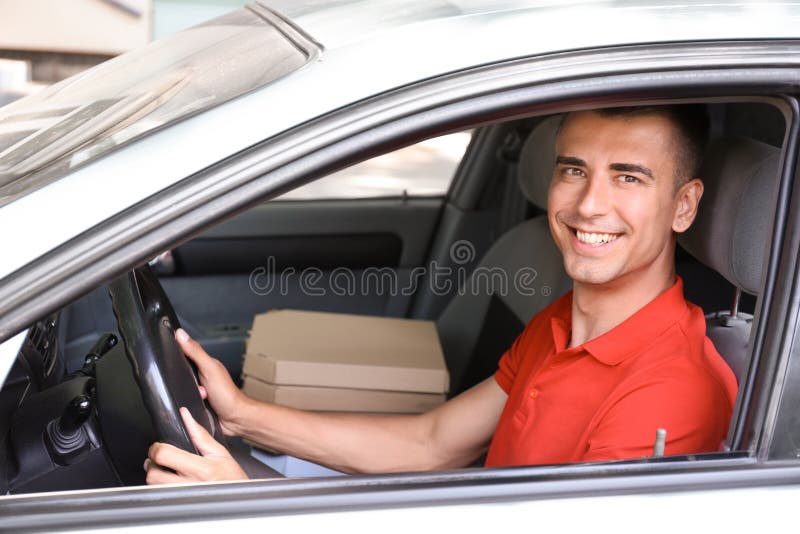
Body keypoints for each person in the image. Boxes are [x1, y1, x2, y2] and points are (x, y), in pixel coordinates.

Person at [143, 105, 738, 484]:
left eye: (628, 177)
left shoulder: (673, 393)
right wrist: (244, 417)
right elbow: (432, 445)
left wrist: (244, 514)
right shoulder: (562, 324)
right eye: (574, 170)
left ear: (684, 205)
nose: (588, 205)